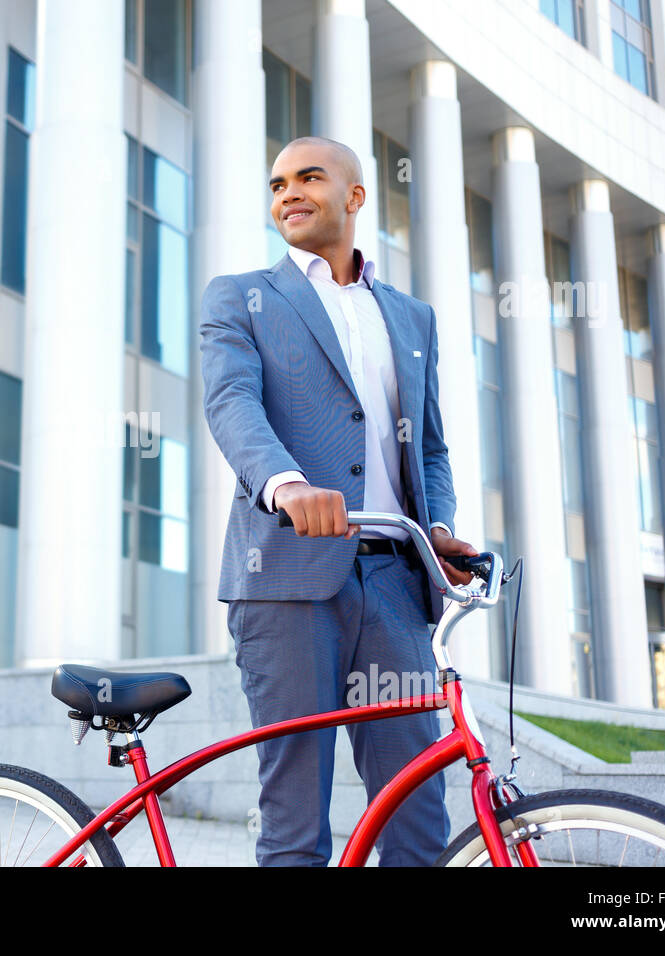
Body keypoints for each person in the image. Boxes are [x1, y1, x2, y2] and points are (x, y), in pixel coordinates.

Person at [198, 135, 480, 866]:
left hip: (393, 584)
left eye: (308, 177)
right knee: (297, 823)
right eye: (277, 182)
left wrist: (439, 529)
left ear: (355, 198)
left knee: (418, 816)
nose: (286, 192)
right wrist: (286, 485)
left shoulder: (412, 317)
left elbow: (431, 450)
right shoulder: (241, 297)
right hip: (289, 580)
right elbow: (233, 404)